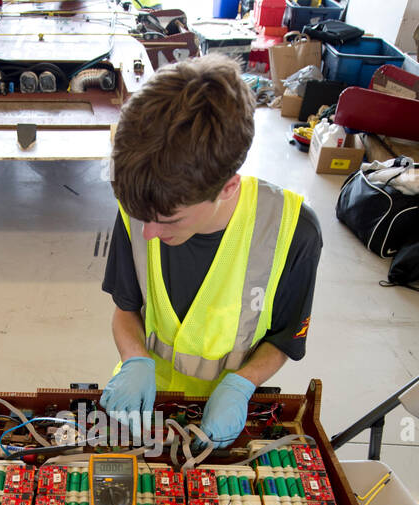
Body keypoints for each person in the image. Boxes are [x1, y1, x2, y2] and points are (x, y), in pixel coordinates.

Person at [100, 54, 323, 448]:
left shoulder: (291, 233)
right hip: (142, 402)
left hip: (223, 413)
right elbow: (126, 308)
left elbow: (285, 336)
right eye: (140, 217)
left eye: (168, 221)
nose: (148, 233)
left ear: (227, 188)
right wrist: (135, 360)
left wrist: (241, 385)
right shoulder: (142, 203)